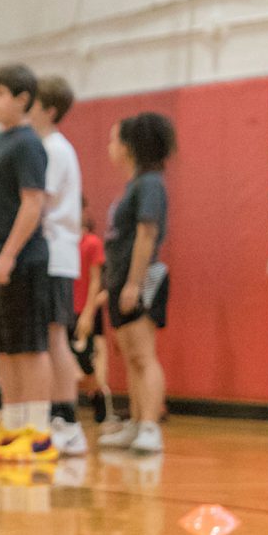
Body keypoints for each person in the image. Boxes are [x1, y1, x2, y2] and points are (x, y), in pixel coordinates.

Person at [0, 64, 56, 462]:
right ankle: (13, 426)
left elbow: (33, 203)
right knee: (5, 347)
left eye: (2, 92)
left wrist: (7, 255)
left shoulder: (27, 144)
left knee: (29, 347)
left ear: (23, 99)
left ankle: (38, 432)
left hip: (22, 261)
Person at [97, 113, 173, 454]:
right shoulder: (134, 185)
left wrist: (133, 283)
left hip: (139, 279)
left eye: (114, 139)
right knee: (130, 358)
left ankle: (150, 427)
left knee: (144, 356)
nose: (109, 146)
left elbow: (147, 233)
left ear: (129, 146)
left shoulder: (150, 184)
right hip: (119, 279)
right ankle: (135, 423)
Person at [34, 76, 86, 456]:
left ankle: (66, 420)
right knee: (47, 337)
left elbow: (39, 203)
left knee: (55, 337)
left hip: (53, 252)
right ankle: (51, 414)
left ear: (49, 109)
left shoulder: (53, 148)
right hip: (50, 254)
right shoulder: (46, 147)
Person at [71, 206, 112, 423]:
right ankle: (72, 402)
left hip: (87, 310)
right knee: (73, 359)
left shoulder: (92, 243)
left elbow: (97, 280)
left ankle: (99, 395)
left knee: (90, 358)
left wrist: (88, 311)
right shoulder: (66, 244)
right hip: (68, 309)